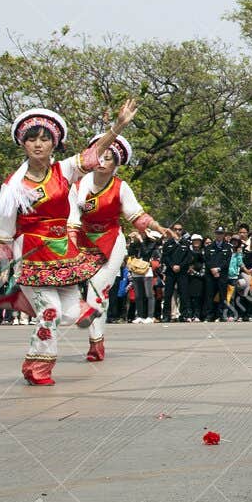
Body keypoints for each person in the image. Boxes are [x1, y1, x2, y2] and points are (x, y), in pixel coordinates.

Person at [0, 101, 138, 385]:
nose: (38, 144)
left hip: (63, 253)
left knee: (69, 313)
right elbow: (4, 228)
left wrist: (118, 127)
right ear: (23, 144)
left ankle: (61, 334)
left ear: (54, 143)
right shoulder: (13, 186)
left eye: (44, 139)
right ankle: (37, 366)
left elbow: (92, 155)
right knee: (50, 311)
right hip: (30, 253)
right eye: (32, 139)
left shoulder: (64, 171)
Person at [67, 133, 174, 359]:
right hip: (84, 242)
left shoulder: (120, 187)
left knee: (96, 291)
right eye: (100, 157)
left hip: (111, 242)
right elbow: (72, 221)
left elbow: (136, 215)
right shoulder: (78, 187)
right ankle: (95, 336)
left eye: (109, 158)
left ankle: (96, 344)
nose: (103, 162)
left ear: (117, 163)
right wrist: (71, 248)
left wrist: (158, 227)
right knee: (77, 291)